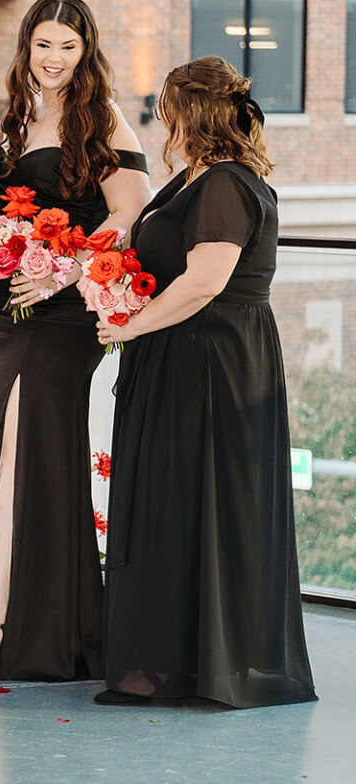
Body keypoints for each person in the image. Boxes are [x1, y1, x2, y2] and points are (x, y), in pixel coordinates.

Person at [94, 58, 316, 708]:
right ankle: (178, 662)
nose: (159, 116)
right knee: (178, 505)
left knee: (207, 503)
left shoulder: (223, 183)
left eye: (165, 105)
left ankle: (209, 667)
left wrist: (129, 325)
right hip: (185, 357)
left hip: (213, 363)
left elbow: (204, 282)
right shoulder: (196, 177)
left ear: (186, 113)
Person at [0, 0, 151, 681]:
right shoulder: (17, 118)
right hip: (5, 311)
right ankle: (53, 625)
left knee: (18, 451)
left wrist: (64, 268)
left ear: (86, 50)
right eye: (43, 45)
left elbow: (129, 215)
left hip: (62, 315)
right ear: (26, 48)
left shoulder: (103, 118)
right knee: (20, 454)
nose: (54, 58)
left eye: (68, 45)